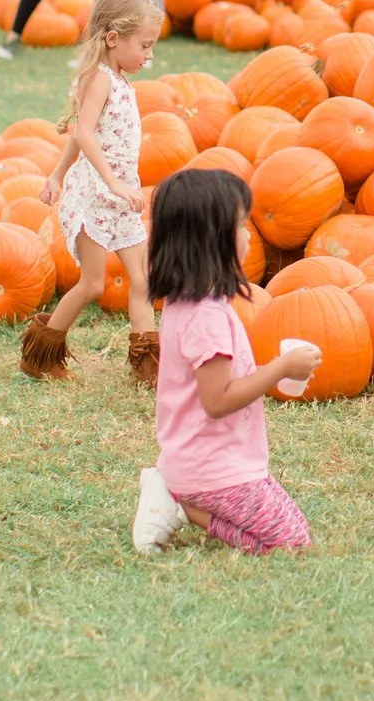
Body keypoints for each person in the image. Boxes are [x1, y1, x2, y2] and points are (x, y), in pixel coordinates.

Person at [130, 169, 318, 555]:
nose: (249, 235)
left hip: (211, 459)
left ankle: (178, 492)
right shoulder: (206, 316)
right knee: (292, 543)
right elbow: (217, 400)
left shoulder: (186, 301)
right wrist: (280, 368)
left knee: (291, 530)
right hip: (213, 469)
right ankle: (178, 500)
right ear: (211, 240)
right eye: (240, 225)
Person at [22, 0, 166, 383]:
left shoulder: (119, 79)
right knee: (92, 284)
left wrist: (56, 173)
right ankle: (40, 355)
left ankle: (148, 366)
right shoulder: (99, 79)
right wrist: (110, 183)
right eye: (145, 45)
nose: (149, 56)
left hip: (120, 197)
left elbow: (81, 135)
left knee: (142, 281)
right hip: (96, 197)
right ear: (113, 38)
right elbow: (84, 134)